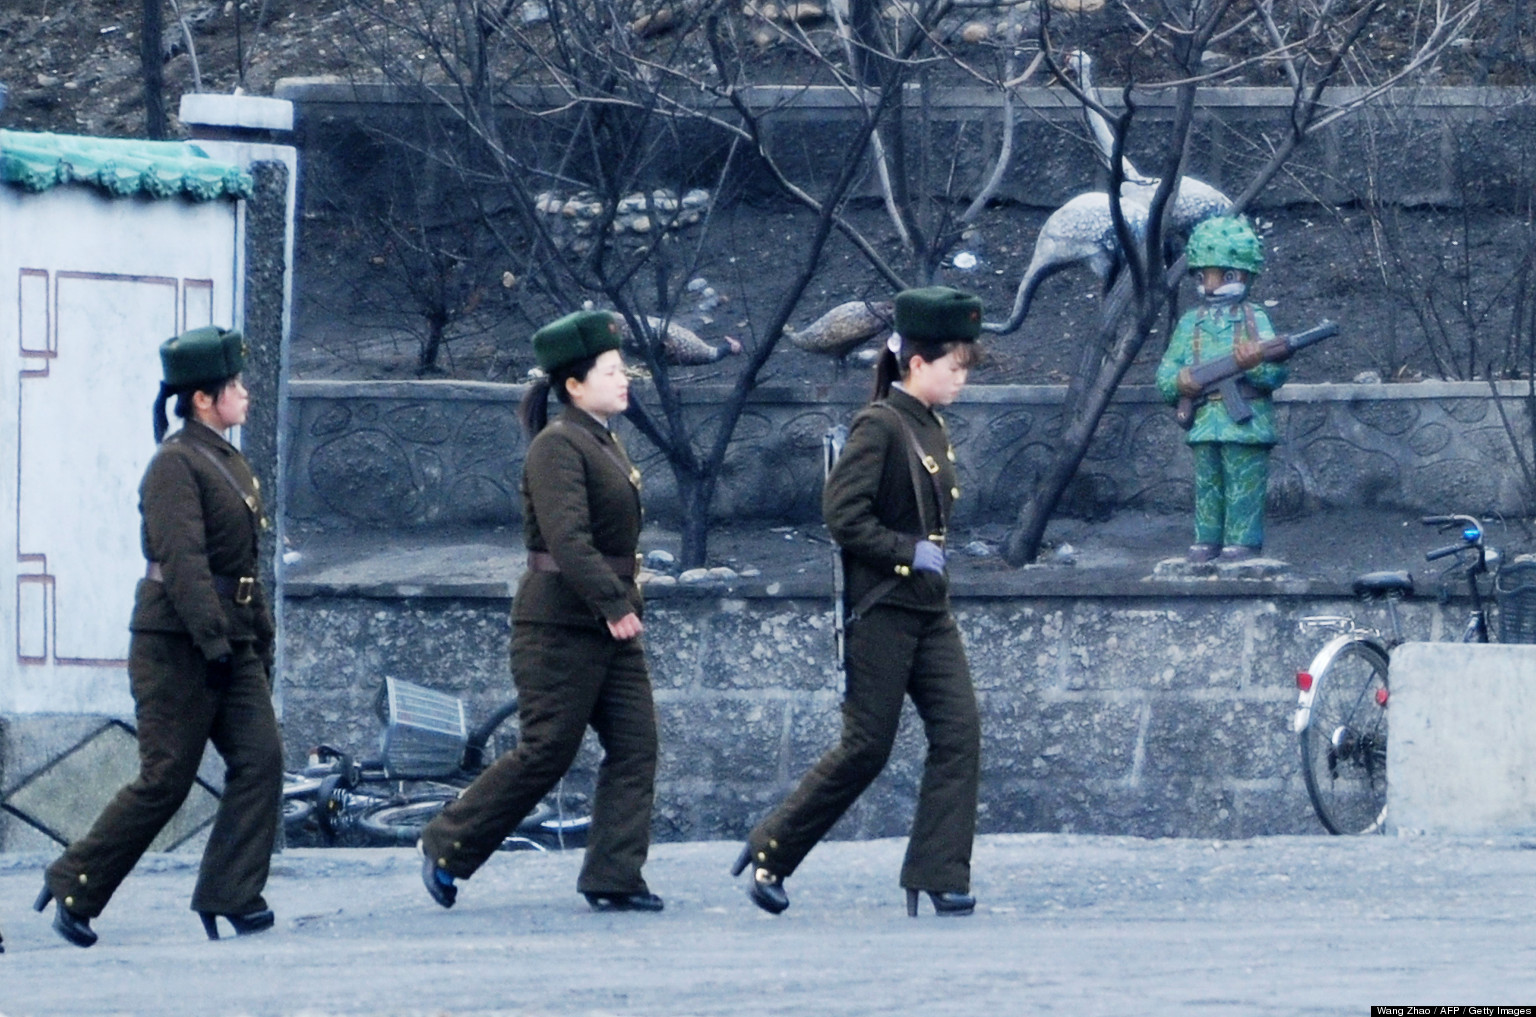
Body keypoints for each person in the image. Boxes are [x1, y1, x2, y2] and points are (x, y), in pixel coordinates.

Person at [732, 286, 984, 917]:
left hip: (928, 610)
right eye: (954, 367)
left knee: (959, 732)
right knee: (867, 746)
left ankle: (938, 872)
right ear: (918, 363)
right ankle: (772, 849)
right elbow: (842, 514)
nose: (962, 379)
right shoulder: (881, 424)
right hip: (885, 610)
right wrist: (905, 551)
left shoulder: (928, 423)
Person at [35, 326, 284, 947]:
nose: (245, 393)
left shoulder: (225, 459)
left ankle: (231, 891)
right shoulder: (175, 464)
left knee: (261, 760)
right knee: (167, 778)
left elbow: (243, 567)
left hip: (230, 641)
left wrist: (256, 639)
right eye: (234, 385)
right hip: (177, 644)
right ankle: (76, 881)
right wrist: (213, 642)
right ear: (203, 399)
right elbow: (183, 563)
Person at [418, 310, 662, 913]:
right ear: (574, 385)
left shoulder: (601, 439)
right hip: (559, 624)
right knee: (548, 748)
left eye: (623, 369)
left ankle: (614, 875)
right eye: (611, 371)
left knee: (636, 745)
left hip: (608, 620)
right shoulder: (558, 445)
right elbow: (566, 540)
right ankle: (448, 842)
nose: (624, 379)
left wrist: (619, 604)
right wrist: (613, 603)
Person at [1156, 216, 1288, 564]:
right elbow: (1166, 372)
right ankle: (1207, 538)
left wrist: (1254, 364)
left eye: (1225, 277)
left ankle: (1242, 542)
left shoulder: (1253, 319)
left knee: (1244, 483)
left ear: (1246, 275)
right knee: (1208, 485)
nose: (1212, 287)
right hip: (1204, 422)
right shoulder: (1191, 323)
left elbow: (1276, 374)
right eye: (1203, 277)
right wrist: (1179, 381)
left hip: (1246, 423)